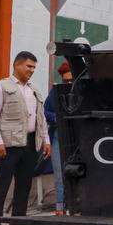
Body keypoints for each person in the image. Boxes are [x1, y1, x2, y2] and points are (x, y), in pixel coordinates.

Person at [0, 51, 50, 225]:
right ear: (17, 65)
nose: (32, 70)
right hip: (9, 143)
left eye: (34, 67)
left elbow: (41, 118)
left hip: (30, 142)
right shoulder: (0, 87)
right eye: (29, 66)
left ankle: (18, 222)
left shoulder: (34, 90)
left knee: (24, 183)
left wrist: (45, 140)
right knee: (2, 184)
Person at [42, 61, 73, 211]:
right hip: (58, 134)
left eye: (71, 80)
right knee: (59, 174)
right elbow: (45, 111)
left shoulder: (82, 90)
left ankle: (76, 206)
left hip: (78, 135)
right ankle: (60, 207)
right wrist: (57, 118)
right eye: (65, 80)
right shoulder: (56, 91)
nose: (68, 83)